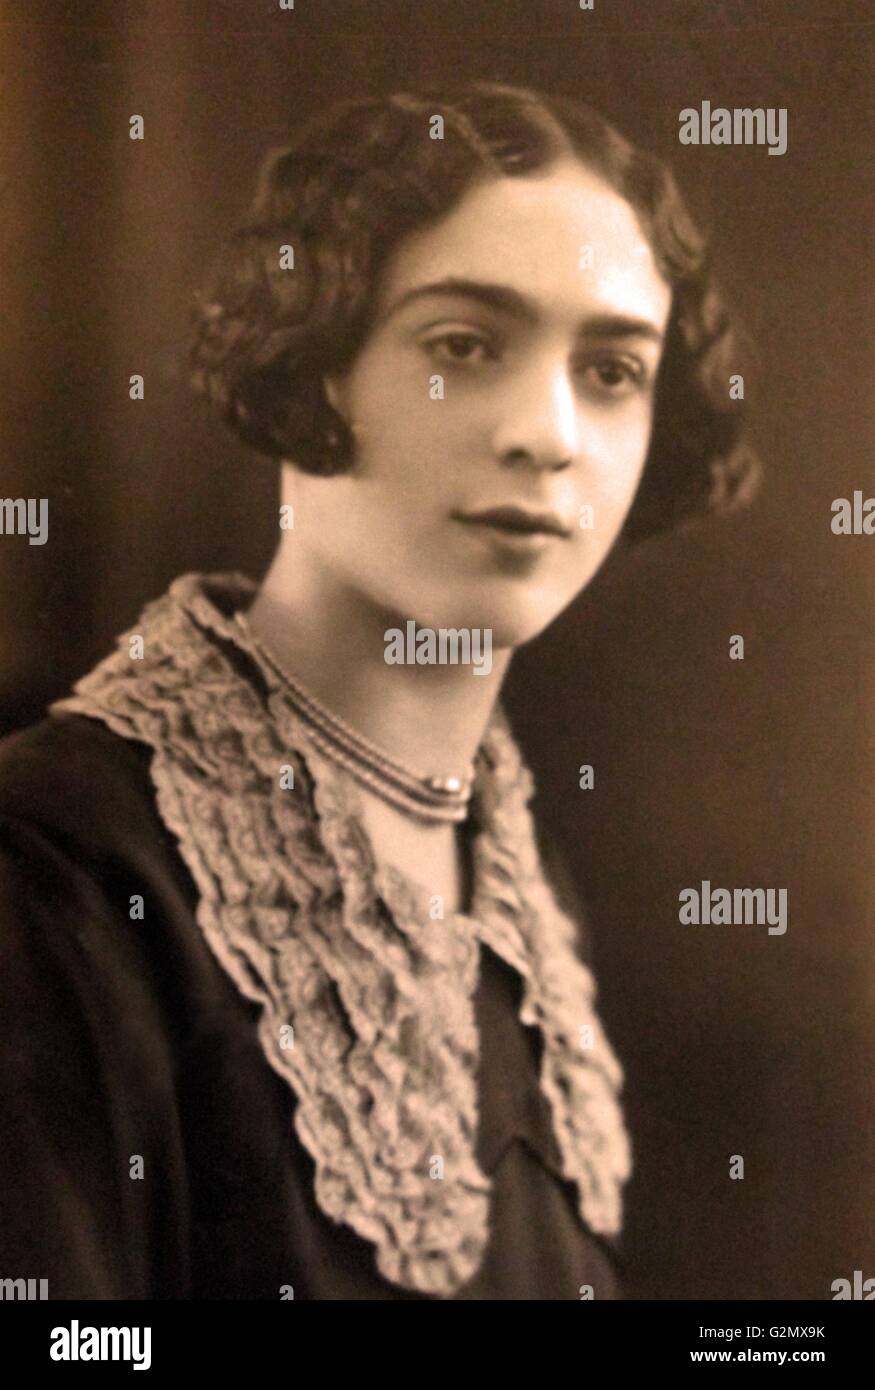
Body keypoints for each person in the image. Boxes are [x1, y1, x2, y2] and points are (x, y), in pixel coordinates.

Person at [0, 81, 759, 1300]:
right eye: (463, 346)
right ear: (312, 361)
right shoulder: (62, 868)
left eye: (612, 369)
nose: (548, 432)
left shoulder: (508, 873)